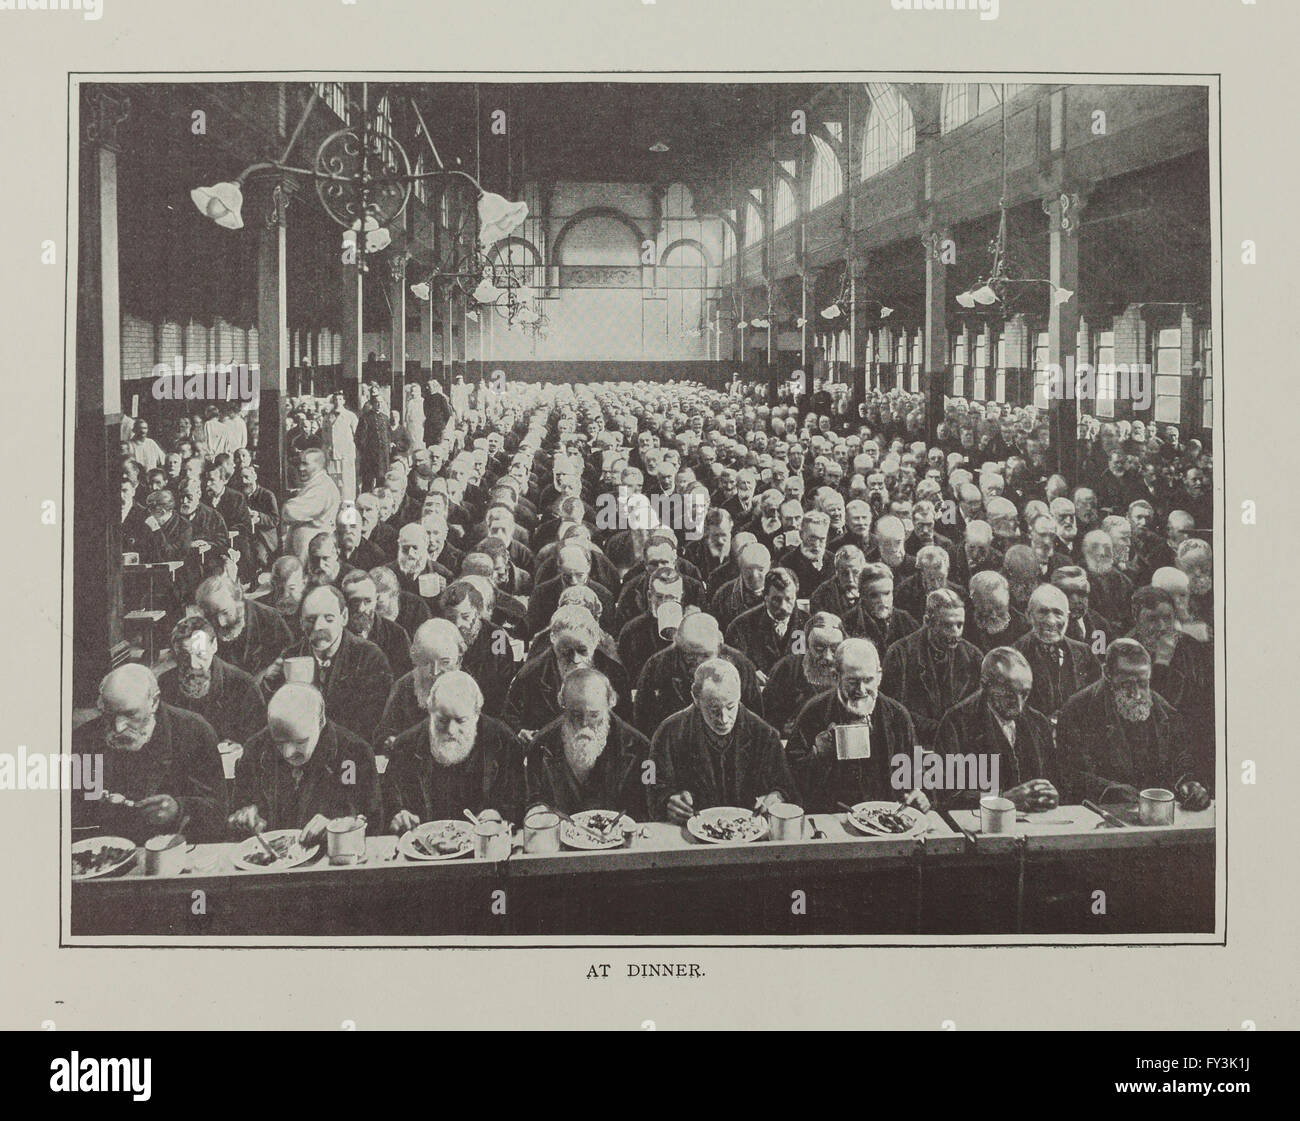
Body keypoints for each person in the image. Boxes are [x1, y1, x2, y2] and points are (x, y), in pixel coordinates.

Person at [71, 664, 226, 843]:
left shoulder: (194, 731)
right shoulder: (83, 740)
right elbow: (74, 817)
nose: (118, 726)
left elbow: (218, 813)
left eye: (130, 714)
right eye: (109, 715)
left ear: (154, 702)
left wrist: (178, 809)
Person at [1057, 638, 1211, 809]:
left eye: (1143, 683)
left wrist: (1188, 783)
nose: (1137, 694)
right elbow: (1068, 773)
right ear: (1107, 673)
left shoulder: (1165, 712)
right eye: (1127, 684)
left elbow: (1181, 759)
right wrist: (1107, 790)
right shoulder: (1077, 710)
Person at [786, 637, 927, 814]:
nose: (861, 690)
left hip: (886, 818)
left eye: (868, 680)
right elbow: (790, 780)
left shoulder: (897, 715)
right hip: (831, 819)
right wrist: (817, 755)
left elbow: (913, 772)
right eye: (852, 682)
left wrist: (917, 792)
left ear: (879, 677)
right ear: (836, 677)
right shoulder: (814, 711)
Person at [646, 658, 795, 823]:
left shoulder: (765, 734)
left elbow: (787, 787)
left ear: (739, 695)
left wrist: (777, 797)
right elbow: (651, 784)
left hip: (748, 831)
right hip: (690, 830)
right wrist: (667, 801)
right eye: (714, 710)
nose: (724, 719)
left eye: (731, 707)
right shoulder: (668, 732)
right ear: (696, 698)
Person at [228, 682, 380, 842]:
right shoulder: (255, 750)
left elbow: (373, 821)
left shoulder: (353, 754)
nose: (288, 753)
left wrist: (340, 826)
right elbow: (236, 813)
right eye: (279, 743)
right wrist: (243, 817)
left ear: (321, 722)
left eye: (300, 742)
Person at [383, 670, 525, 830]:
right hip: (424, 846)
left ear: (476, 714)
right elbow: (389, 801)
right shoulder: (405, 746)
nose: (451, 730)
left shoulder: (505, 742)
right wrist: (399, 814)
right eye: (442, 720)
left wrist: (500, 815)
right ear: (430, 711)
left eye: (460, 721)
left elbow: (519, 804)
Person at [266, 584, 394, 747]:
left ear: (344, 617)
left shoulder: (370, 657)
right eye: (311, 620)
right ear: (301, 622)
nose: (319, 627)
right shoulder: (290, 656)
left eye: (329, 619)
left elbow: (372, 722)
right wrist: (269, 683)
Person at [933, 647, 1059, 810]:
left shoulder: (1038, 722)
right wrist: (1002, 799)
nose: (1019, 706)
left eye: (1025, 694)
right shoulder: (956, 723)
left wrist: (1052, 794)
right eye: (1009, 695)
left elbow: (1054, 780)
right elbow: (945, 796)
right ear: (985, 686)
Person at [524, 667, 652, 819]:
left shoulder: (640, 748)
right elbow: (533, 798)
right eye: (576, 714)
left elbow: (648, 805)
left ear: (611, 702)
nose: (585, 723)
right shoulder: (540, 745)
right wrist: (536, 811)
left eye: (594, 715)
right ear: (562, 702)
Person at [633, 611, 764, 737]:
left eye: (705, 655)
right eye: (690, 657)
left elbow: (754, 718)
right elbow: (643, 721)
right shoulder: (658, 667)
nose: (698, 663)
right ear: (678, 647)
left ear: (719, 645)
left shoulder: (740, 666)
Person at [880, 588, 982, 747]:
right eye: (947, 625)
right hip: (914, 745)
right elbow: (891, 710)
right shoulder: (900, 654)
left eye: (959, 625)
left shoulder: (973, 656)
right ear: (927, 621)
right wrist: (941, 729)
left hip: (959, 746)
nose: (955, 632)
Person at [159, 615, 266, 746]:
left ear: (214, 645)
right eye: (184, 656)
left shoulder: (243, 684)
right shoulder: (165, 682)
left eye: (200, 654)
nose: (193, 664)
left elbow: (259, 740)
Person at [1012, 584, 1102, 721]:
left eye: (1058, 613)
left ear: (1067, 617)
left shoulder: (1084, 652)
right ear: (1029, 615)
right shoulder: (1014, 655)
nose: (1050, 621)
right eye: (1043, 612)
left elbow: (1097, 697)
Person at [375, 618, 466, 748]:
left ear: (458, 660)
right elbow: (383, 734)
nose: (434, 672)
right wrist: (390, 740)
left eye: (445, 662)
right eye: (426, 662)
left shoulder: (468, 688)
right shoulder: (404, 686)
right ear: (416, 659)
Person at [761, 611, 845, 738]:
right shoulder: (787, 669)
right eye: (819, 648)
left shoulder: (850, 670)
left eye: (834, 649)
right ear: (807, 646)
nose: (827, 657)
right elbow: (767, 718)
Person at [193, 574, 292, 680]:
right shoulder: (204, 627)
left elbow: (289, 651)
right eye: (213, 615)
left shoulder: (268, 616)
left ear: (237, 599)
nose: (221, 622)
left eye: (225, 612)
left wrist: (269, 670)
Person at [724, 566, 807, 678]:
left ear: (796, 596)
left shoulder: (808, 623)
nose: (783, 607)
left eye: (789, 599)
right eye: (776, 600)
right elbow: (731, 662)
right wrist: (749, 673)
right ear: (765, 598)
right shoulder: (740, 627)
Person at [281, 447, 341, 537]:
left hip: (315, 546)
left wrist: (283, 506)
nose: (301, 468)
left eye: (305, 464)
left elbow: (291, 512)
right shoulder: (315, 483)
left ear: (318, 465)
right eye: (300, 463)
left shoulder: (322, 486)